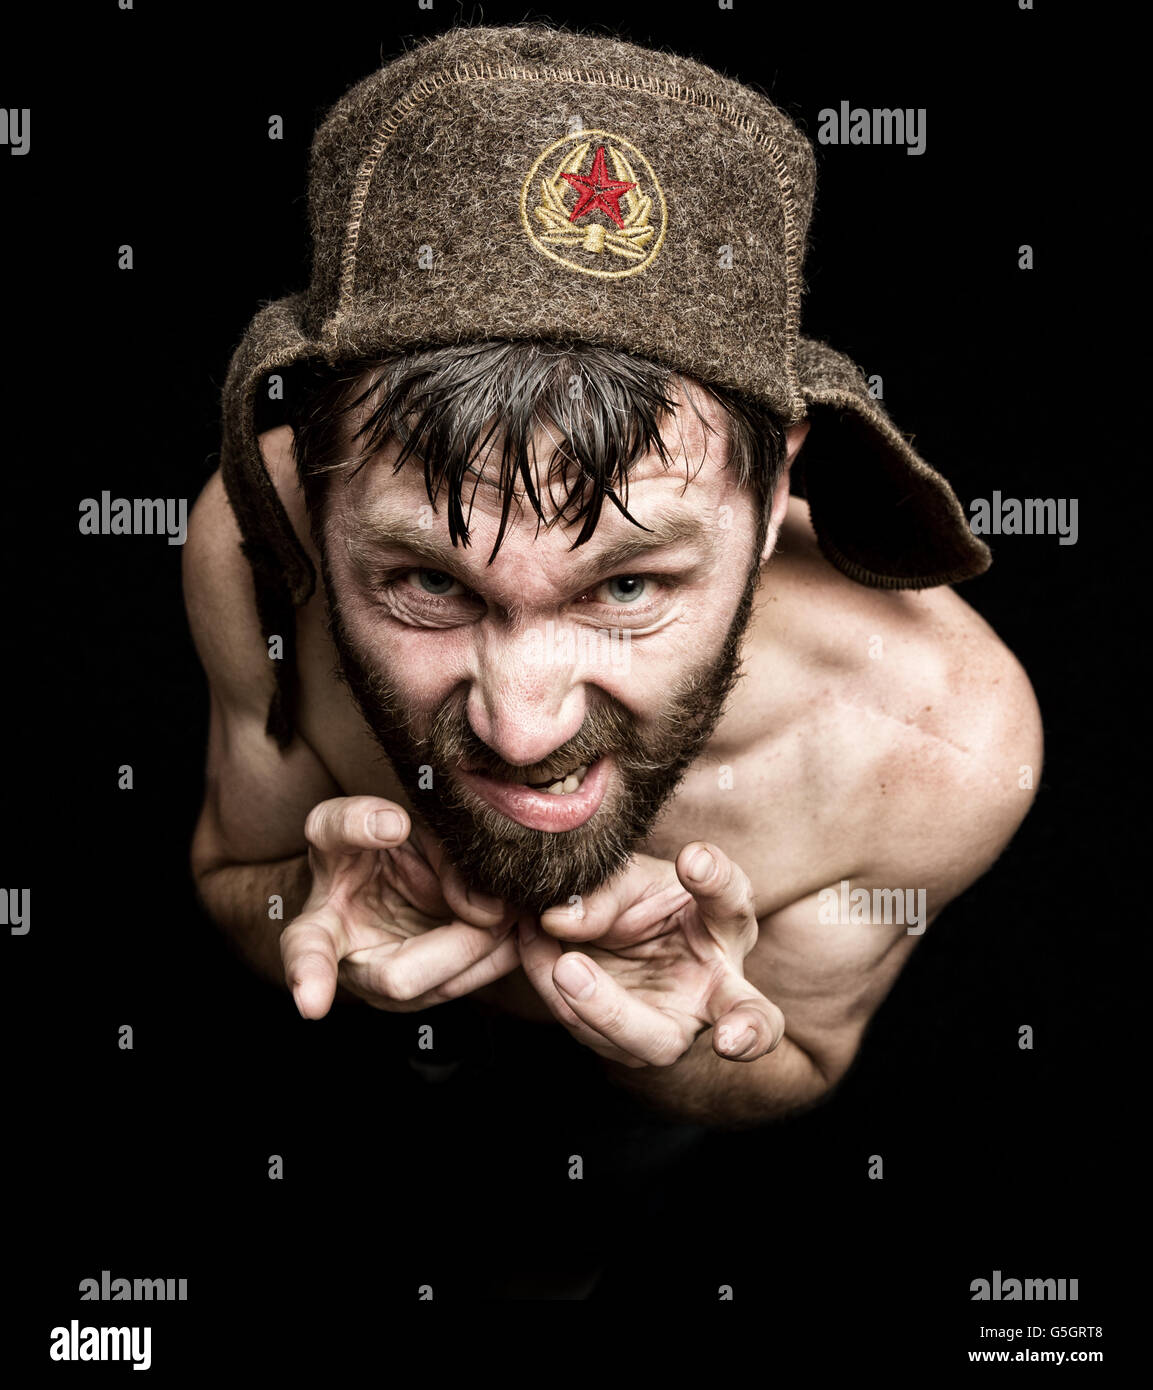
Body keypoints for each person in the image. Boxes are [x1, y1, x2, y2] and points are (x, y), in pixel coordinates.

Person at [184, 23, 1041, 1127]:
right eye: (430, 585)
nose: (523, 729)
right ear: (311, 481)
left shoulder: (940, 747)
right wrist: (297, 905)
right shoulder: (256, 553)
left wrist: (683, 1050)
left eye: (626, 588)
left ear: (777, 486)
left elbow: (803, 1058)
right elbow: (230, 871)